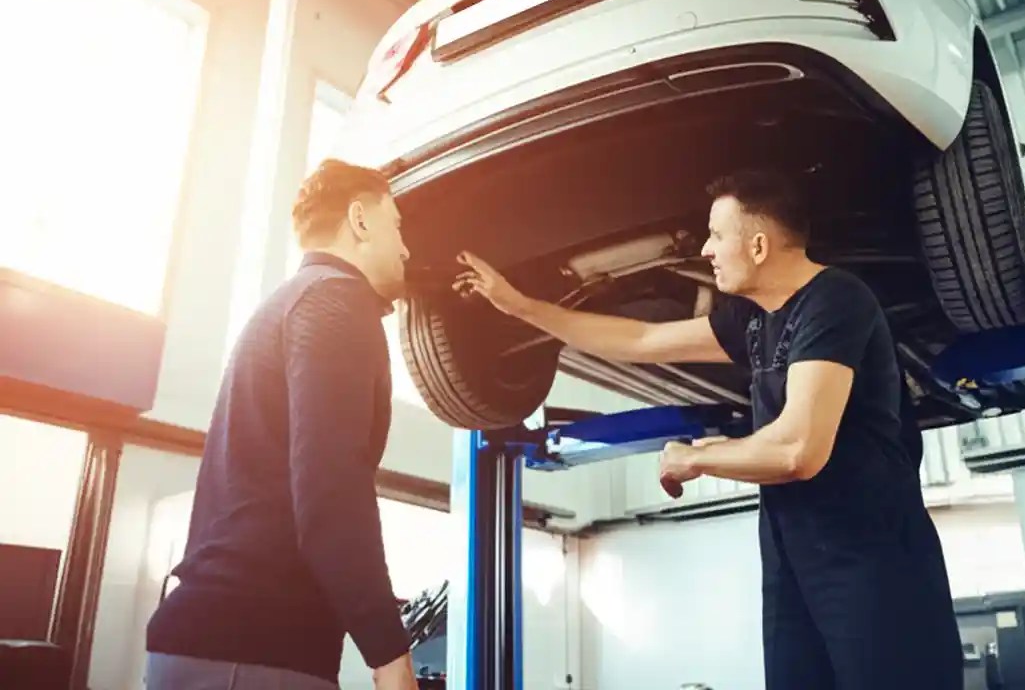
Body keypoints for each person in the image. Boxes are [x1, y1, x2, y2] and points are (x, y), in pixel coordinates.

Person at [455, 168, 963, 689]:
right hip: (795, 561)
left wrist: (696, 456)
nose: (705, 249)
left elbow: (798, 450)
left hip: (874, 559)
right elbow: (642, 342)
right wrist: (520, 308)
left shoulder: (835, 299)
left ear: (759, 244)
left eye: (717, 235)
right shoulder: (754, 320)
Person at [145, 160, 418, 690]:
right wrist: (389, 655)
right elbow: (331, 487)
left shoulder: (291, 302)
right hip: (254, 650)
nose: (406, 248)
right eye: (398, 224)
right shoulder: (337, 300)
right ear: (360, 220)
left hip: (216, 641)